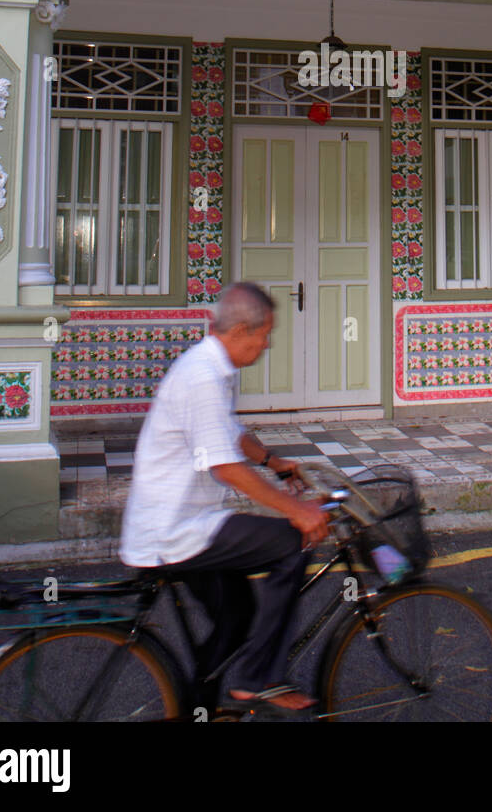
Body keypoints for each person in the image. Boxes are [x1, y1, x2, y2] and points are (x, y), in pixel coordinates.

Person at [119, 281, 328, 712]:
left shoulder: (209, 368)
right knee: (292, 542)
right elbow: (224, 466)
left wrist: (273, 461)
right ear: (239, 332)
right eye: (264, 334)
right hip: (176, 531)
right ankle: (262, 677)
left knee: (236, 619)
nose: (266, 344)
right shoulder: (203, 376)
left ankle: (201, 710)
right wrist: (298, 510)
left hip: (180, 525)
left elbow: (230, 436)